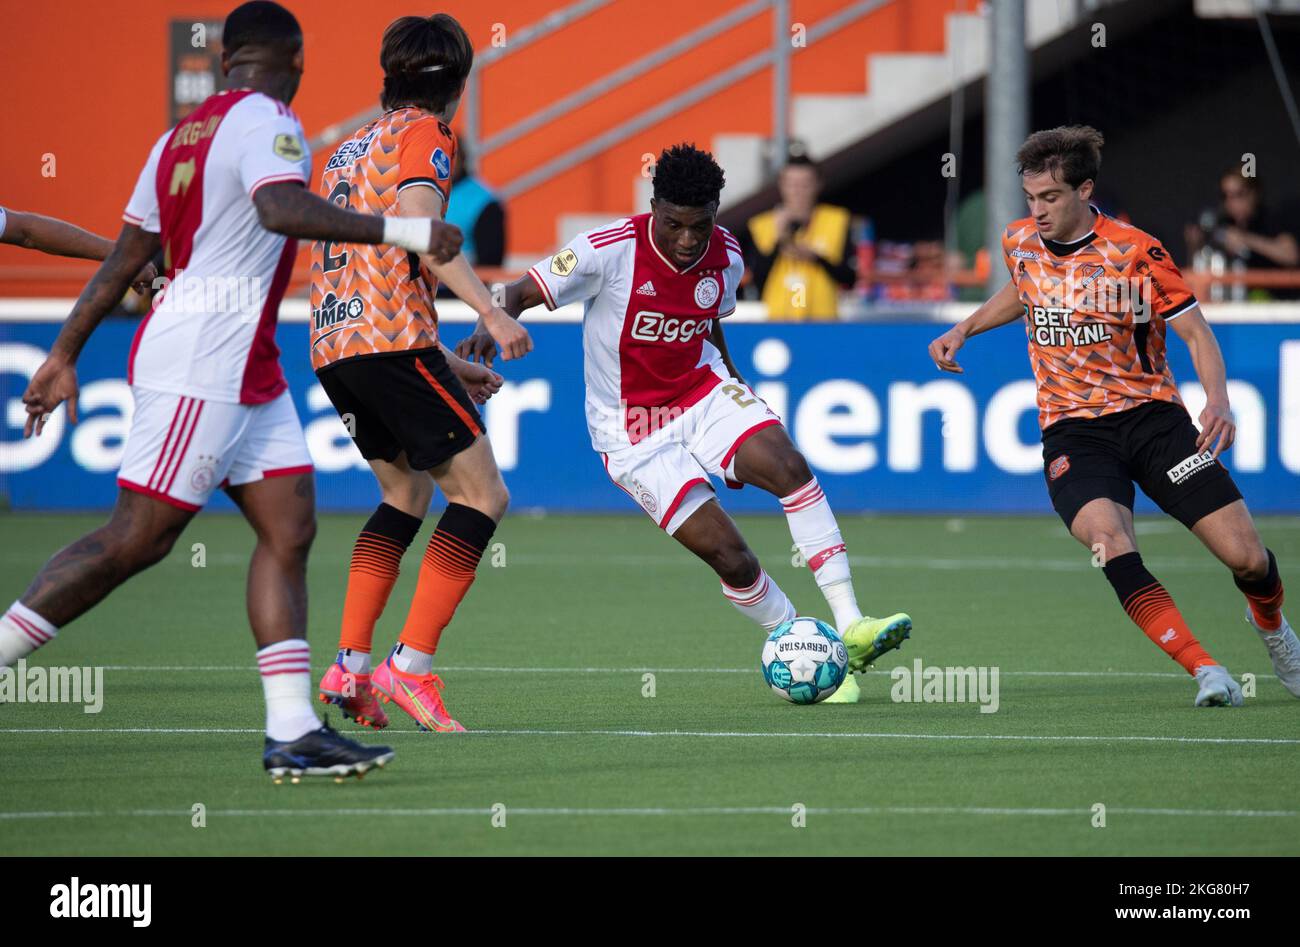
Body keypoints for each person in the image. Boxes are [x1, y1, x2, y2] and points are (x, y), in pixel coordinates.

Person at [5, 0, 465, 782]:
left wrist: (64, 351)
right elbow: (279, 208)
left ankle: (291, 731)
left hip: (247, 366)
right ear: (293, 64)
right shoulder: (269, 121)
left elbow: (126, 255)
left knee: (289, 526)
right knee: (135, 539)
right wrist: (404, 230)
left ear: (226, 59)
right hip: (201, 361)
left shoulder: (176, 139)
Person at [458, 144, 911, 704]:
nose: (688, 240)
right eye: (673, 224)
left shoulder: (727, 254)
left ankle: (850, 623)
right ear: (654, 208)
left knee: (790, 466)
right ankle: (801, 644)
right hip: (630, 431)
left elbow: (710, 322)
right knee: (731, 557)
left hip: (702, 394)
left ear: (717, 212)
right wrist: (491, 319)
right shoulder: (606, 250)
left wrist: (736, 380)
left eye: (701, 225)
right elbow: (520, 290)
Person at [928, 125, 1298, 707]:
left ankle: (1274, 629)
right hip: (1073, 431)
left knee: (1247, 558)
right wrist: (965, 327)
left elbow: (1197, 335)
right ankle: (1206, 669)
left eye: (1050, 197)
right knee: (1109, 541)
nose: (1038, 210)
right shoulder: (1019, 242)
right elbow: (1023, 289)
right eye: (1031, 198)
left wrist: (1218, 400)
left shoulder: (1137, 252)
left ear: (1085, 189)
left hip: (1153, 421)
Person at [311, 13, 530, 733]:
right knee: (483, 494)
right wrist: (491, 314)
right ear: (459, 85)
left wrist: (448, 362)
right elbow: (421, 229)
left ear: (389, 76)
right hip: (392, 344)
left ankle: (347, 664)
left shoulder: (343, 150)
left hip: (336, 345)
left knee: (403, 492)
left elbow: (375, 265)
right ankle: (408, 669)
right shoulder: (428, 135)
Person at [741, 154, 855, 319]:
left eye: (805, 184)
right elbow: (757, 279)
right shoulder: (762, 225)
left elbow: (850, 278)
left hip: (823, 321)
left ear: (818, 184)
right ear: (782, 185)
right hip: (780, 321)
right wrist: (779, 240)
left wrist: (816, 258)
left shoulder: (837, 220)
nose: (798, 191)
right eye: (792, 184)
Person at [1185, 170, 1299, 300]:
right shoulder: (1221, 223)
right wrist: (1194, 245)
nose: (1231, 202)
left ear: (1254, 194)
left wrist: (1245, 239)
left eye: (1238, 194)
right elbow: (1198, 271)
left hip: (1277, 303)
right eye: (1225, 196)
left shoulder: (1270, 219)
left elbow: (1291, 255)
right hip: (1231, 303)